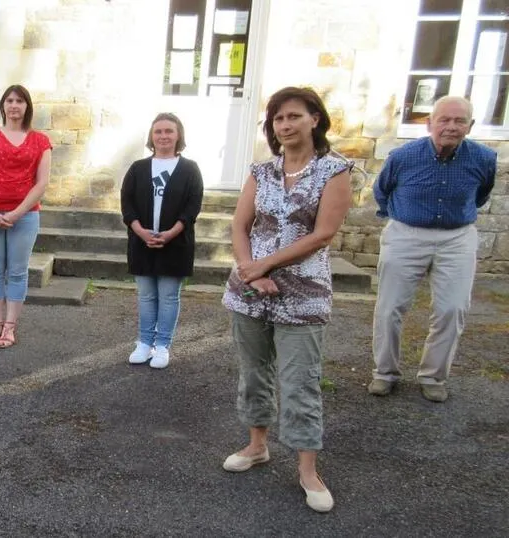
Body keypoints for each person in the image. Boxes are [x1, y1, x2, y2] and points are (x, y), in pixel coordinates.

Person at [220, 87, 353, 513]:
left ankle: (308, 470)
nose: (286, 125)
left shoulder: (334, 171)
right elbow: (240, 225)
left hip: (303, 295)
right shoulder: (261, 171)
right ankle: (257, 446)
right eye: (278, 119)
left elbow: (323, 234)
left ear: (315, 119)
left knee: (301, 382)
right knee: (254, 373)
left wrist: (266, 265)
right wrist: (249, 270)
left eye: (294, 116)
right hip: (250, 293)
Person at [369, 96, 496, 403]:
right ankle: (384, 373)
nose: (451, 127)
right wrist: (403, 219)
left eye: (459, 121)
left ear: (471, 126)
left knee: (453, 308)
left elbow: (480, 195)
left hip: (457, 237)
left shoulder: (483, 158)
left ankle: (433, 376)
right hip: (405, 234)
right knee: (390, 307)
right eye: (444, 120)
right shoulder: (403, 156)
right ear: (429, 124)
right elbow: (381, 190)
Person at [119, 112, 204, 368]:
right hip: (141, 243)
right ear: (151, 136)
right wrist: (140, 231)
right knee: (146, 296)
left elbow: (192, 207)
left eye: (169, 131)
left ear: (178, 135)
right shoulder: (138, 168)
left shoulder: (190, 169)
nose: (163, 136)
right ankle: (144, 343)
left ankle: (163, 346)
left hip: (175, 244)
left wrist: (170, 233)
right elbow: (127, 203)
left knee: (168, 297)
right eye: (158, 131)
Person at [0, 84, 52, 349]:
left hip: (25, 217)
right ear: (3, 106)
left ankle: (9, 327)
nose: (14, 105)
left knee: (17, 272)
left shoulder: (40, 141)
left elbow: (41, 183)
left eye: (20, 101)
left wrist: (17, 213)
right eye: (9, 100)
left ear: (27, 106)